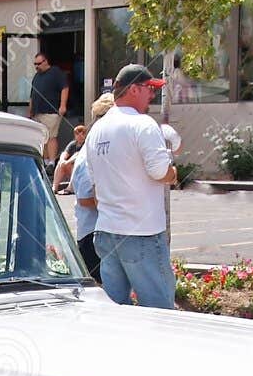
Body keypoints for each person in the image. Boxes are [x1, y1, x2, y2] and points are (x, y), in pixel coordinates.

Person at [83, 64, 177, 310]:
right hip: (141, 232)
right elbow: (160, 172)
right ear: (134, 89)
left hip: (106, 231)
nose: (152, 95)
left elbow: (93, 185)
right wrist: (173, 172)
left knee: (116, 311)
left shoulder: (96, 131)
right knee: (159, 310)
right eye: (149, 88)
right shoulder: (143, 124)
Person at [69, 95, 114, 279]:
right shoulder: (91, 152)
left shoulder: (95, 148)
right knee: (101, 289)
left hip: (95, 232)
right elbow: (85, 199)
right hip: (91, 235)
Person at [28, 49, 68, 165]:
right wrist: (30, 111)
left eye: (39, 64)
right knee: (42, 138)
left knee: (51, 136)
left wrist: (62, 105)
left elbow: (64, 87)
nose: (37, 66)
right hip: (37, 112)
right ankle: (45, 161)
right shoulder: (36, 76)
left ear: (46, 61)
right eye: (35, 64)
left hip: (51, 111)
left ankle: (51, 162)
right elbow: (32, 94)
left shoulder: (55, 72)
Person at [52, 123, 87, 193]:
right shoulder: (73, 144)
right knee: (60, 164)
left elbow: (78, 155)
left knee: (75, 164)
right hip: (70, 168)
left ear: (85, 135)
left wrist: (67, 162)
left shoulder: (86, 144)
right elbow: (65, 153)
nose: (80, 136)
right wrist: (62, 161)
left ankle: (70, 188)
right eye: (77, 134)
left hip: (82, 170)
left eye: (82, 134)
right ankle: (54, 187)